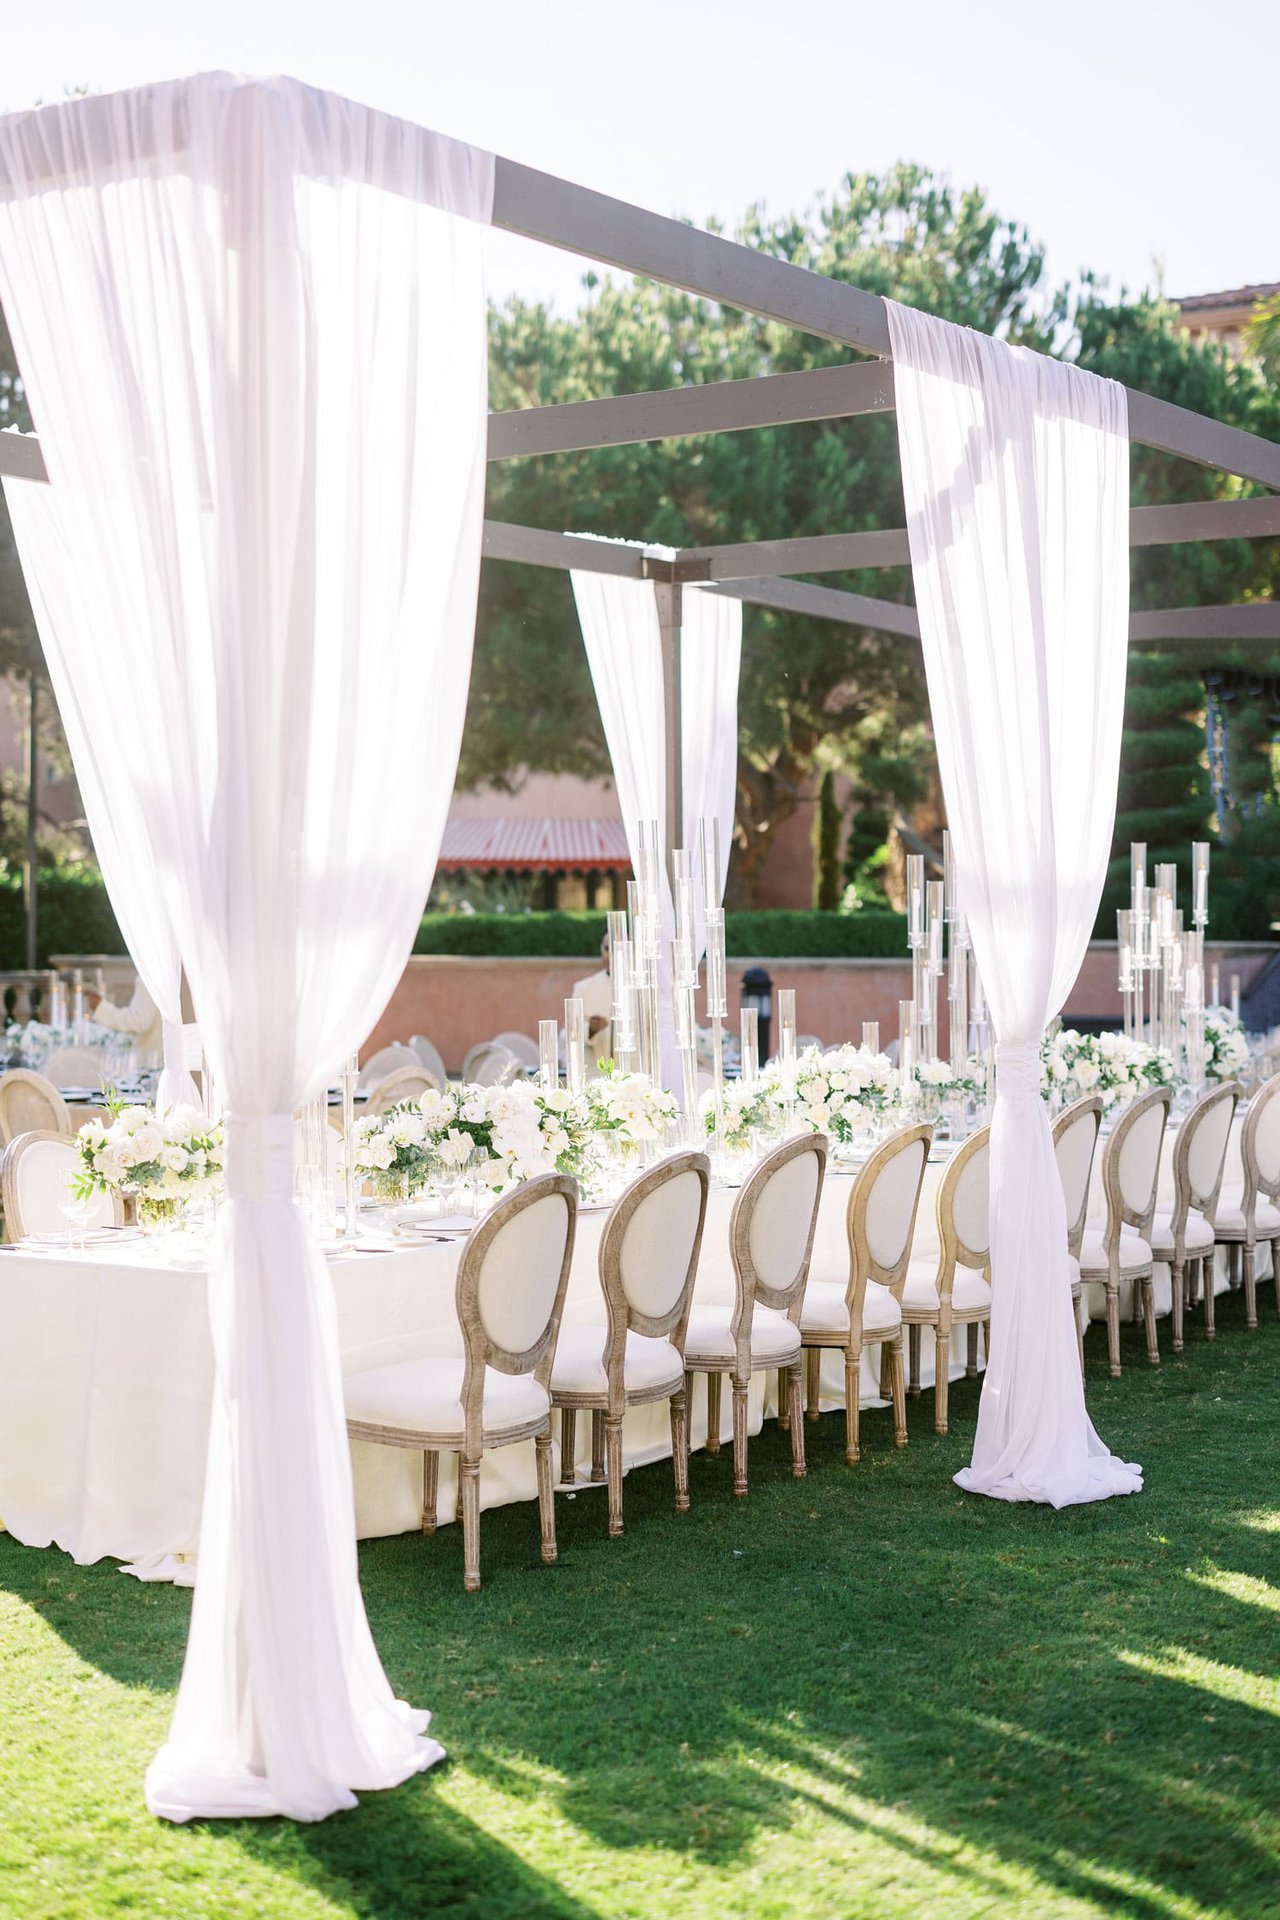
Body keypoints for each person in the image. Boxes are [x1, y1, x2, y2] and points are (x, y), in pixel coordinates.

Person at [88, 974, 164, 1071]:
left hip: (151, 1064)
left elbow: (139, 1022)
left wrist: (100, 1007)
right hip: (159, 1061)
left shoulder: (150, 974)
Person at [572, 930, 614, 1072]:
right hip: (596, 1075)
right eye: (607, 948)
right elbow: (571, 1033)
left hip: (636, 1076)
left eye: (616, 949)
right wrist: (591, 1030)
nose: (611, 955)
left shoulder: (644, 990)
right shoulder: (583, 988)